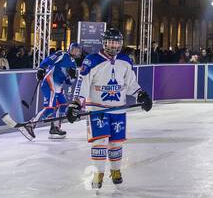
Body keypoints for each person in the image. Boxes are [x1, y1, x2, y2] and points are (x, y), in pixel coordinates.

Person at [66, 28, 152, 187]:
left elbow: (131, 83)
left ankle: (115, 171)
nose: (113, 46)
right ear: (104, 43)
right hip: (97, 109)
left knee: (116, 143)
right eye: (110, 42)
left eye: (116, 42)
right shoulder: (91, 60)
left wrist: (141, 94)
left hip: (118, 109)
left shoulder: (125, 61)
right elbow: (83, 84)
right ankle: (98, 174)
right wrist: (76, 103)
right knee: (100, 142)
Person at [36, 40, 84, 138]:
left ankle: (55, 127)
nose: (75, 52)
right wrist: (41, 68)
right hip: (49, 83)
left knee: (63, 105)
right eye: (73, 49)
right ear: (69, 49)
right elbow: (49, 59)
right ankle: (31, 124)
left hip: (58, 88)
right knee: (50, 108)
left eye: (77, 50)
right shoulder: (62, 54)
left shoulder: (74, 65)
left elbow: (69, 82)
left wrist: (71, 76)